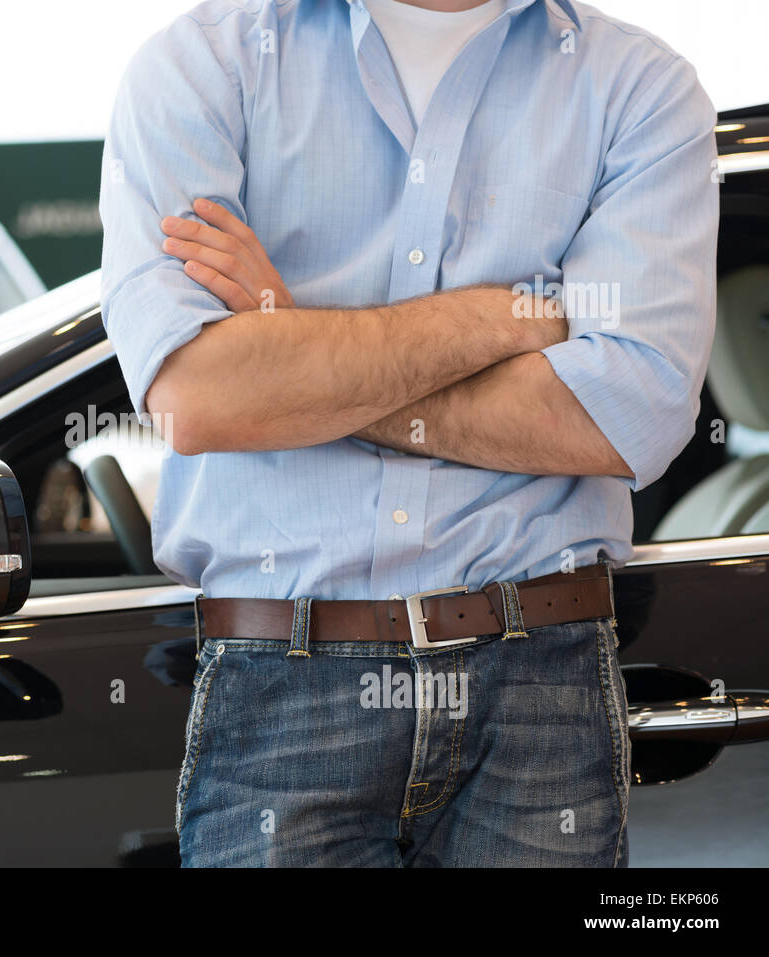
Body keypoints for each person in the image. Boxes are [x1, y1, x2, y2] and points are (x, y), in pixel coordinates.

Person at [98, 0, 718, 867]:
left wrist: (296, 340)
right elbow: (202, 397)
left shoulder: (639, 88)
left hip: (541, 678)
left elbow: (629, 415)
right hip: (282, 676)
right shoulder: (205, 65)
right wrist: (506, 318)